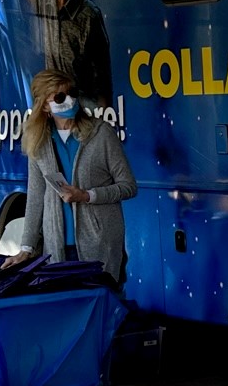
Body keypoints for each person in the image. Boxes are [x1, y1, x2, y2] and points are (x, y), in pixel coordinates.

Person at [10, 70, 137, 281]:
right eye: (60, 97)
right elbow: (35, 197)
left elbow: (128, 186)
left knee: (100, 307)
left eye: (71, 92)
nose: (69, 100)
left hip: (99, 245)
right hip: (58, 248)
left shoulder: (101, 134)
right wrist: (26, 247)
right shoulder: (39, 142)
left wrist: (87, 195)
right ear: (44, 106)